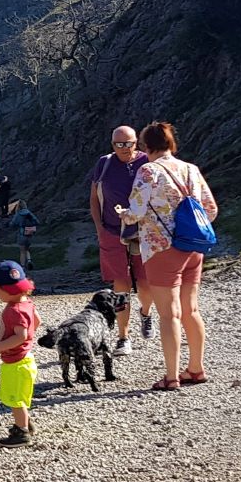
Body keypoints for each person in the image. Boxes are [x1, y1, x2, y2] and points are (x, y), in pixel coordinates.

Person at [117, 121, 219, 392]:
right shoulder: (191, 169)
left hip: (161, 248)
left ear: (145, 147)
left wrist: (122, 214)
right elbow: (210, 209)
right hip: (192, 247)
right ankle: (196, 369)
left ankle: (171, 376)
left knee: (168, 314)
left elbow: (136, 212)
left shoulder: (148, 171)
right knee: (191, 310)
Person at [87, 125, 151, 356]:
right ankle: (124, 337)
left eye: (129, 143)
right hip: (113, 232)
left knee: (144, 283)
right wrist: (99, 228)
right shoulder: (104, 164)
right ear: (112, 144)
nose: (124, 148)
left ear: (137, 143)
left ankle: (145, 313)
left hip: (143, 233)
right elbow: (94, 198)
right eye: (119, 144)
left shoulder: (147, 162)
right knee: (120, 285)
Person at [0, 260, 39, 446]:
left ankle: (21, 432)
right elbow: (37, 321)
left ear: (10, 290)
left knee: (15, 400)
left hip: (15, 362)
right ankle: (26, 424)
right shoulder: (27, 303)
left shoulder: (13, 310)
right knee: (19, 396)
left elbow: (20, 336)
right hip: (26, 358)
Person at [7, 199, 38, 269]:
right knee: (27, 248)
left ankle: (22, 266)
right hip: (30, 233)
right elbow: (37, 221)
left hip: (22, 233)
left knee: (22, 251)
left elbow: (13, 223)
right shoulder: (29, 213)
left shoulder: (18, 214)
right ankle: (29, 261)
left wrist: (9, 224)